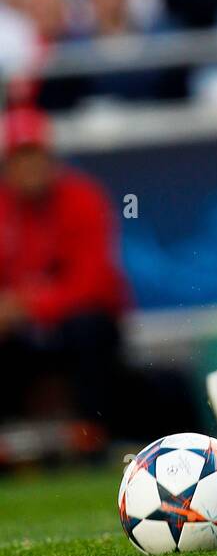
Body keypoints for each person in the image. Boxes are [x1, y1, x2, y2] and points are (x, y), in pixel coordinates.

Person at [0, 106, 127, 447]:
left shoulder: (83, 198)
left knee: (90, 327)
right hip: (20, 333)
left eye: (35, 156)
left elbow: (94, 284)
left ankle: (91, 435)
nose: (29, 167)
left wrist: (28, 305)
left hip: (74, 326)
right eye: (20, 158)